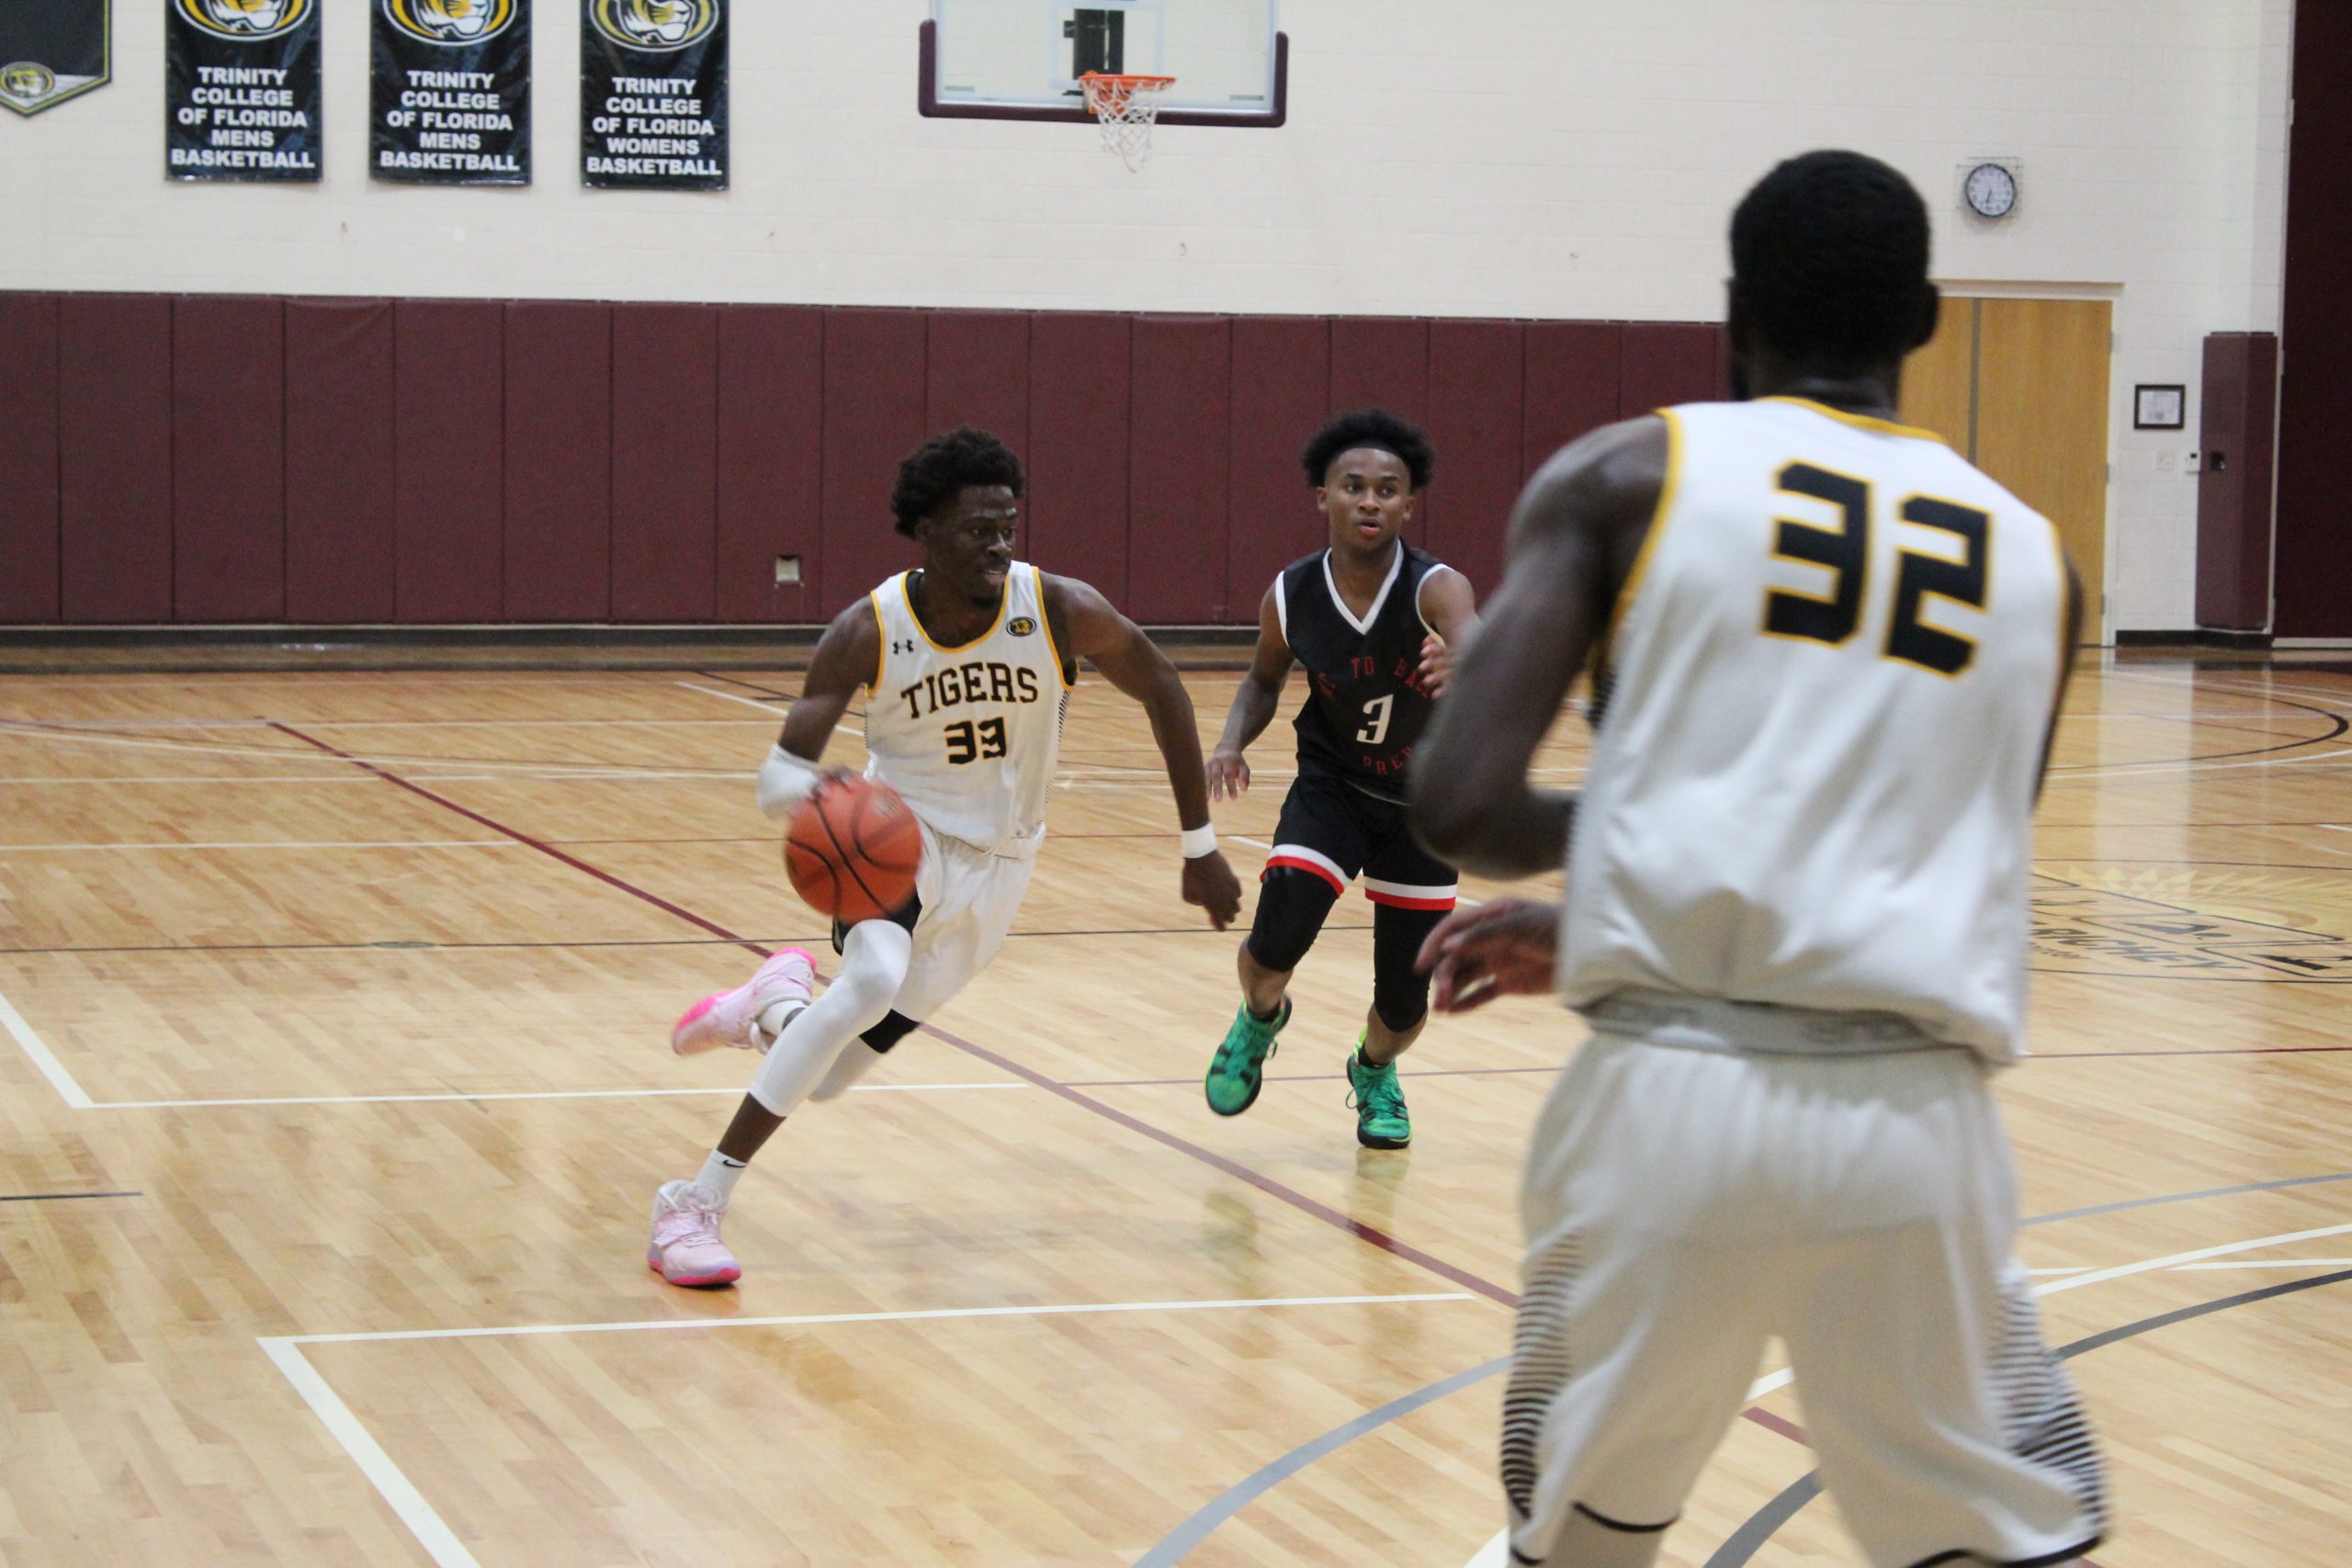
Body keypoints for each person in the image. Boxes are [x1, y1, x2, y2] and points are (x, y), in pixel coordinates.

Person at [1409, 151, 2105, 1568]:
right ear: (1923, 315)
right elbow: (1950, 841)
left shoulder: (1628, 475)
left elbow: (1464, 800)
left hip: (1668, 1101)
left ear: (1733, 311)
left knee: (1577, 1535)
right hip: (1920, 1120)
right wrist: (1695, 878)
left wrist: (1639, 884)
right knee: (2005, 1540)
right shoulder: (2039, 557)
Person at [648, 426, 1243, 1287]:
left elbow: (1164, 687)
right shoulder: (869, 629)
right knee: (867, 981)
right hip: (898, 839)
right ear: (926, 529)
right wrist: (824, 798)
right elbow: (777, 776)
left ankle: (773, 1004)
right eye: (977, 530)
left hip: (1004, 862)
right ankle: (691, 1202)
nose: (1000, 546)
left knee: (825, 1077)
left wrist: (1199, 845)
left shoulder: (1060, 609)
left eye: (1008, 526)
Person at [1200, 410, 1477, 1148]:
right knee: (1278, 926)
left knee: (1403, 996)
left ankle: (1374, 1069)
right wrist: (1229, 741)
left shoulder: (1436, 588)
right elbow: (1263, 680)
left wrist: (1467, 663)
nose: (1369, 500)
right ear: (1321, 496)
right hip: (1336, 787)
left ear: (1408, 504)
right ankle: (1260, 1019)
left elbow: (1483, 644)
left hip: (1424, 805)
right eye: (1352, 486)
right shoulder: (1291, 595)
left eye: (1388, 489)